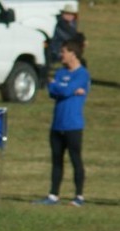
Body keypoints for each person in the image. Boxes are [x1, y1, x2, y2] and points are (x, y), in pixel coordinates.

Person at [35, 39, 89, 207]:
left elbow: (62, 90)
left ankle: (79, 196)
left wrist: (60, 87)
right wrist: (62, 88)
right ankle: (53, 195)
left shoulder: (82, 74)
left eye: (63, 52)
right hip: (57, 124)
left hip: (73, 125)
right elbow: (52, 91)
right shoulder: (60, 73)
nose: (61, 55)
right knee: (56, 160)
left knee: (75, 160)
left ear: (72, 54)